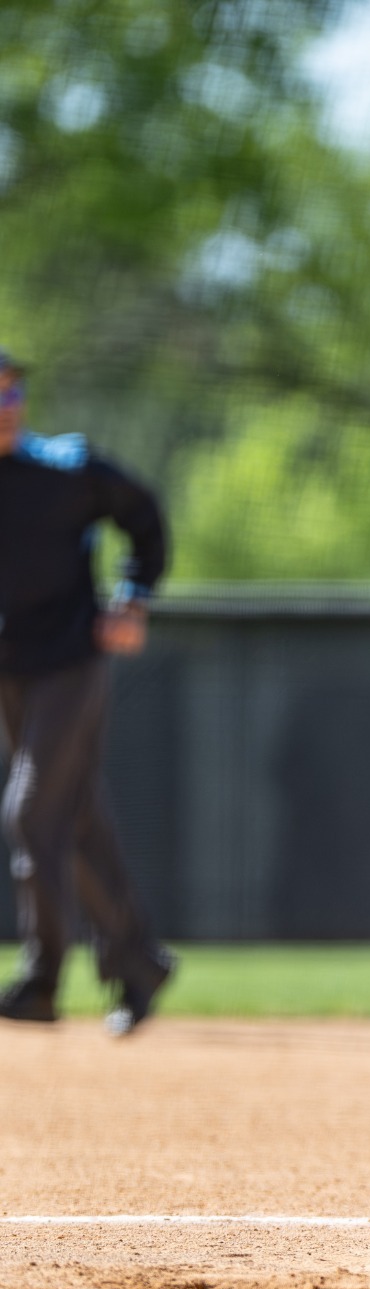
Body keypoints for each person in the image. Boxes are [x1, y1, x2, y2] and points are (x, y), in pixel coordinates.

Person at [0, 348, 174, 1036]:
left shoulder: (66, 469)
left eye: (13, 391)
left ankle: (42, 977)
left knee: (30, 810)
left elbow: (145, 518)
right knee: (70, 818)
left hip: (70, 664)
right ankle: (139, 961)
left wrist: (132, 597)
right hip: (11, 669)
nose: (7, 405)